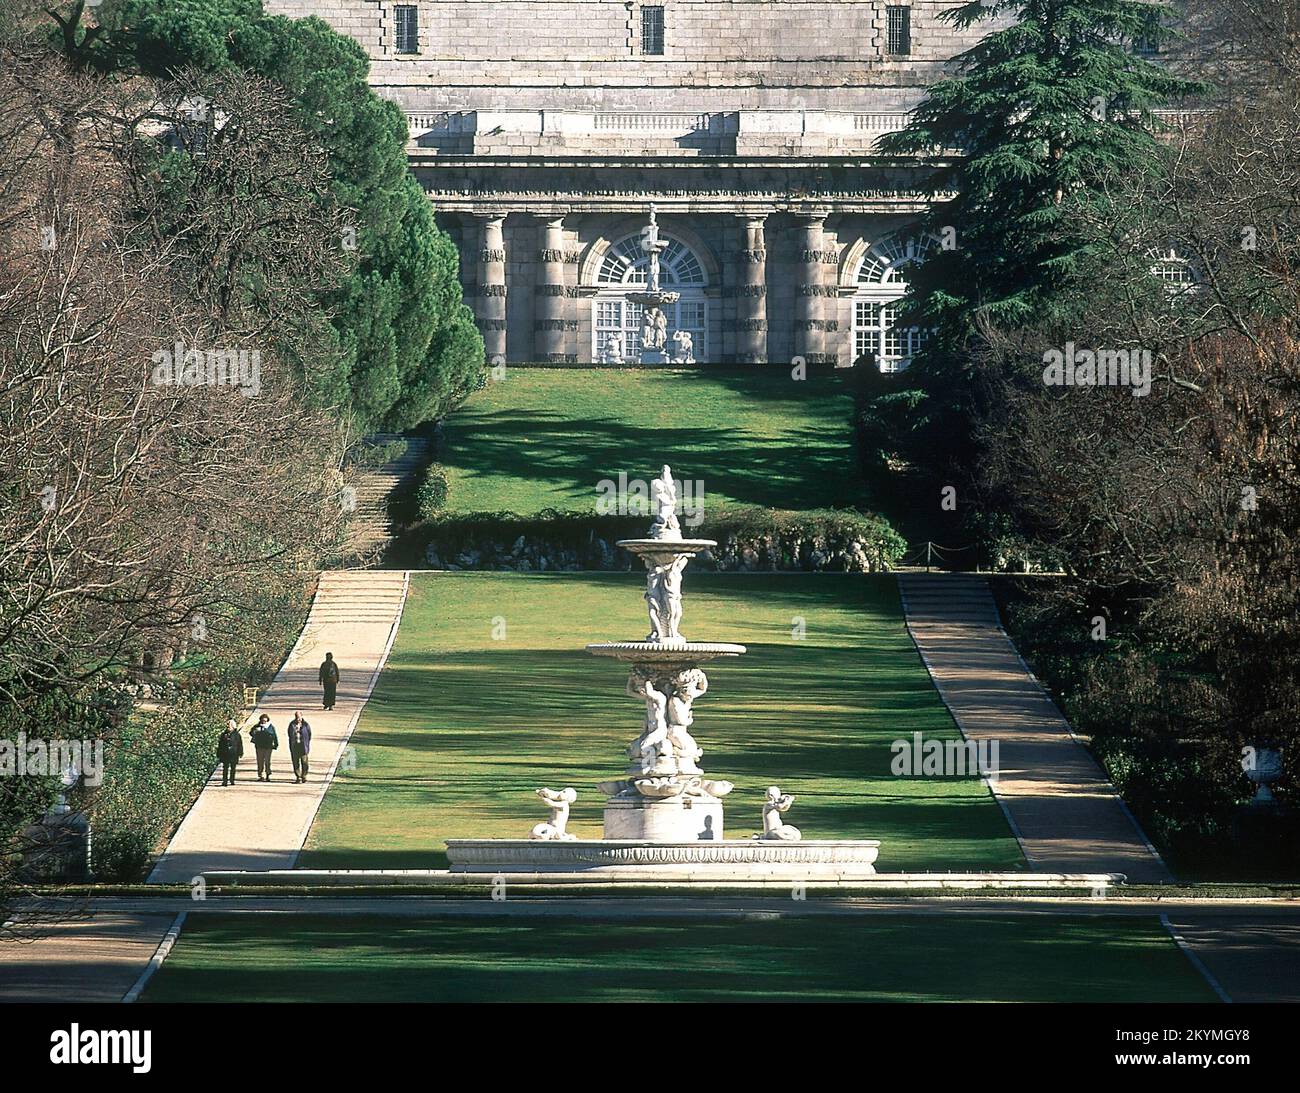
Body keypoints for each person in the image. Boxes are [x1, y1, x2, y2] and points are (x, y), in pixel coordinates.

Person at [249, 713, 278, 782]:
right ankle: (260, 775)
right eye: (262, 721)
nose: (264, 722)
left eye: (265, 721)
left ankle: (268, 774)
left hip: (268, 746)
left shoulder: (270, 727)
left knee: (267, 761)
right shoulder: (257, 726)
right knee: (260, 761)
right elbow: (251, 733)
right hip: (259, 746)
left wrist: (276, 744)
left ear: (267, 720)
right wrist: (255, 731)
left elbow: (274, 735)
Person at [287, 712, 312, 784]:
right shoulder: (292, 724)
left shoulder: (305, 725)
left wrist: (306, 743)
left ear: (301, 716)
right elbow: (289, 734)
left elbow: (309, 734)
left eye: (299, 717)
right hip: (295, 746)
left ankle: (304, 776)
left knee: (304, 762)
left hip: (303, 746)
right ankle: (298, 776)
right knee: (295, 762)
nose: (298, 719)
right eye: (296, 717)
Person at [216, 719, 244, 786]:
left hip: (234, 753)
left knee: (233, 768)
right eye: (227, 725)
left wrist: (240, 752)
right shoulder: (223, 734)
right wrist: (219, 753)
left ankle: (232, 780)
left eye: (229, 725)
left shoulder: (237, 734)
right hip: (225, 753)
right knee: (225, 767)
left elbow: (239, 744)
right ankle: (224, 781)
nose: (228, 726)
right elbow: (220, 744)